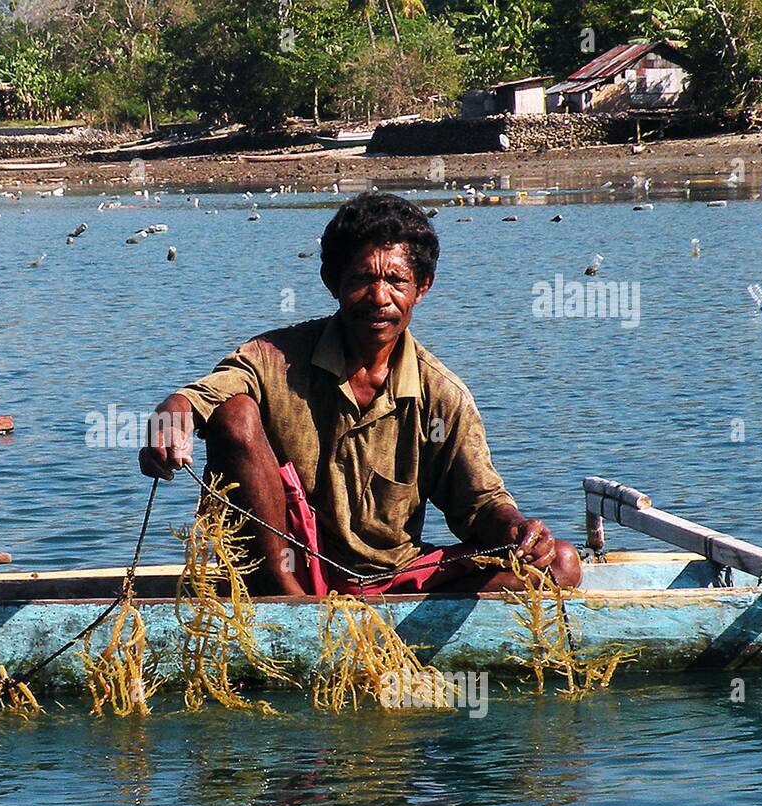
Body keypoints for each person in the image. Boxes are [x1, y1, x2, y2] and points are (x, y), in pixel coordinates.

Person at [139, 192, 581, 597]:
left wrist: (518, 530)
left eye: (396, 281)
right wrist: (172, 416)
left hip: (395, 576)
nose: (379, 297)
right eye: (362, 279)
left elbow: (481, 504)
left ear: (422, 287)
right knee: (234, 414)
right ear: (332, 282)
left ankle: (398, 620)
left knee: (560, 563)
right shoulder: (273, 358)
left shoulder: (440, 394)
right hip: (287, 570)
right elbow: (199, 397)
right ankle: (290, 607)